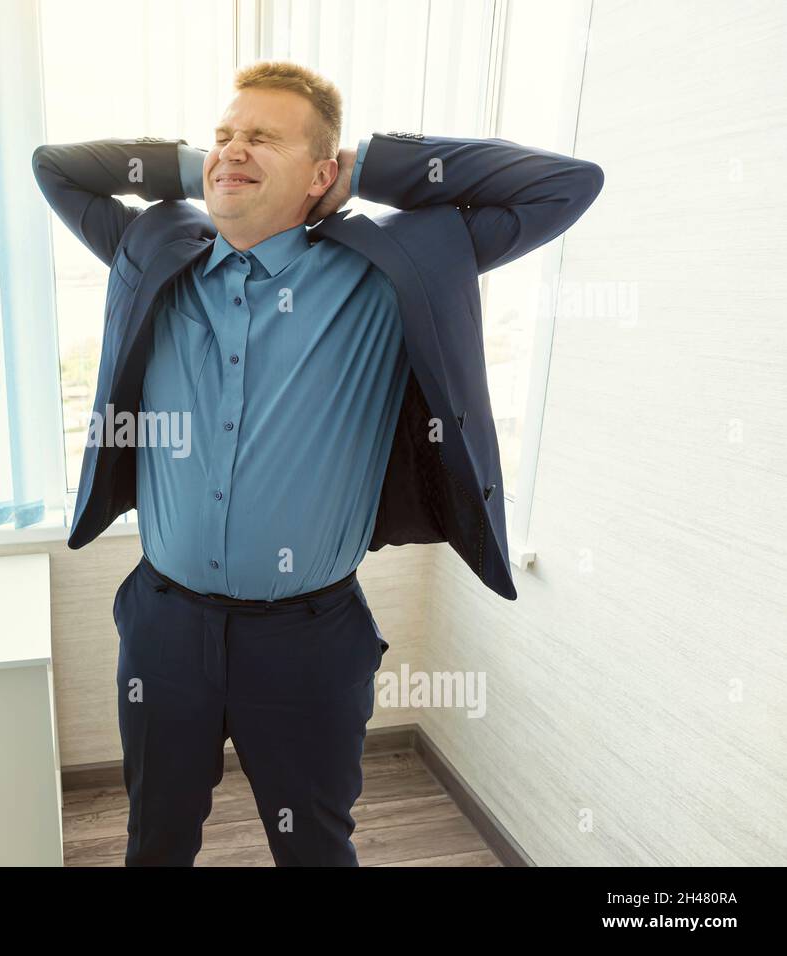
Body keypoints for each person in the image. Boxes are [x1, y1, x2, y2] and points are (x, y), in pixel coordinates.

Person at [32, 60, 603, 866]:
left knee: (316, 850)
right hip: (165, 628)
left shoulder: (391, 266)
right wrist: (202, 162)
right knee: (153, 842)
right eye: (225, 135)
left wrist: (372, 167)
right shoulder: (153, 246)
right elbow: (55, 168)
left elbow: (566, 184)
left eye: (264, 137)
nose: (232, 150)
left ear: (323, 174)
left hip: (309, 640)